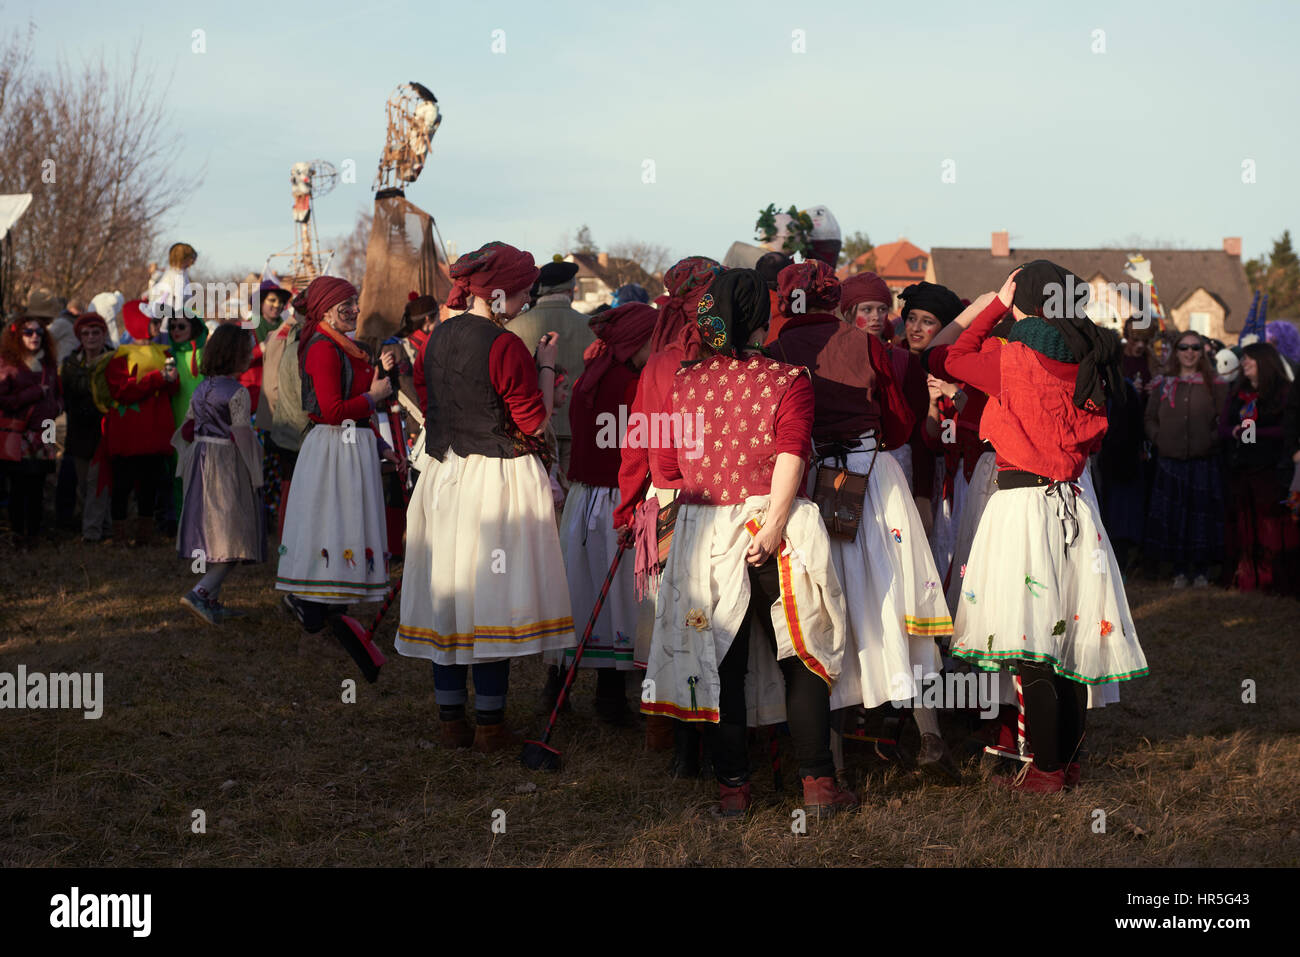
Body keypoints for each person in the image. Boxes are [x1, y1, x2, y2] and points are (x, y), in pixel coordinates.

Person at [641, 268, 856, 818]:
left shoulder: (684, 382)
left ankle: (733, 790)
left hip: (703, 531)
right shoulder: (789, 379)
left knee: (721, 663)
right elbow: (792, 452)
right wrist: (777, 521)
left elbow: (666, 467)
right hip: (771, 526)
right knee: (800, 655)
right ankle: (818, 786)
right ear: (763, 318)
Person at [944, 262, 1147, 793]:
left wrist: (994, 303)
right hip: (1075, 507)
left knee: (1030, 638)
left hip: (1022, 508)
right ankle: (1068, 762)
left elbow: (952, 357)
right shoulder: (1090, 357)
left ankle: (1048, 770)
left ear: (1025, 298)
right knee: (1072, 636)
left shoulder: (1012, 359)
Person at [770, 260, 958, 783]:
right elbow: (899, 424)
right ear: (836, 300)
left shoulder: (776, 351)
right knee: (891, 598)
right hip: (871, 477)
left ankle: (828, 758)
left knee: (824, 607)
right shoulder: (865, 345)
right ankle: (930, 734)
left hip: (806, 481)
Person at [396, 241, 575, 753]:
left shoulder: (435, 338)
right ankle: (490, 727)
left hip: (442, 473)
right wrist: (546, 368)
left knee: (450, 597)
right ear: (500, 294)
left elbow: (431, 405)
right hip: (493, 480)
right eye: (522, 294)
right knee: (489, 600)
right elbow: (534, 424)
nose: (525, 303)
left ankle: (452, 721)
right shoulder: (505, 346)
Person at [612, 255, 722, 766]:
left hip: (670, 497)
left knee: (671, 619)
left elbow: (638, 439)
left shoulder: (660, 361)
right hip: (718, 496)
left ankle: (671, 735)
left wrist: (628, 505)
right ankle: (706, 733)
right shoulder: (733, 355)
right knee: (711, 613)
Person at [276, 277, 397, 647]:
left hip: (351, 446)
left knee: (346, 522)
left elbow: (354, 411)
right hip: (333, 448)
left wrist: (380, 445)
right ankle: (310, 602)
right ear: (326, 310)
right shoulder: (323, 349)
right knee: (330, 522)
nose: (356, 311)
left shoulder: (349, 348)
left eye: (355, 303)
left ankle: (333, 604)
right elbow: (331, 411)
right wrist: (373, 396)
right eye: (347, 306)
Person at [553, 302, 657, 724]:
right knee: (617, 601)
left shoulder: (589, 376)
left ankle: (557, 686)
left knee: (585, 593)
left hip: (585, 499)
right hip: (617, 498)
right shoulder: (630, 384)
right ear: (635, 341)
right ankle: (610, 699)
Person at [175, 324, 267, 624]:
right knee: (234, 532)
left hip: (203, 460)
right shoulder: (237, 392)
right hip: (227, 463)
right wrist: (257, 466)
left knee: (214, 530)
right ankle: (200, 592)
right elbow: (241, 433)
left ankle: (211, 600)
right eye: (246, 351)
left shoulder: (203, 387)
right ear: (235, 356)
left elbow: (188, 427)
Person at [1143, 331, 1228, 587]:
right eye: (1184, 347)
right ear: (1176, 351)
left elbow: (1224, 419)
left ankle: (1201, 570)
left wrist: (1212, 439)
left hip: (1203, 461)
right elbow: (1149, 418)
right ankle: (1179, 569)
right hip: (1170, 460)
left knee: (1200, 518)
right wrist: (1159, 438)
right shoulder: (1163, 383)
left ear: (1202, 352)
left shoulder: (1216, 383)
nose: (1189, 352)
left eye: (1195, 348)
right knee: (1175, 517)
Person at [506, 259, 594, 479]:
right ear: (568, 290)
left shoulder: (513, 327)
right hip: (579, 427)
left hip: (532, 428)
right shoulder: (592, 326)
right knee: (573, 493)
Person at [1222, 342, 1296, 593]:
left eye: (1249, 359)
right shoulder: (1237, 392)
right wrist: (1234, 431)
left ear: (1264, 362)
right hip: (1240, 466)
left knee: (1270, 525)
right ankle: (1246, 576)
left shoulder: (1284, 393)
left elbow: (1288, 429)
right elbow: (1223, 425)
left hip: (1270, 468)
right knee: (1243, 522)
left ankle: (1273, 578)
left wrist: (1256, 432)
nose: (1243, 363)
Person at [101, 308, 179, 546]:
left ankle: (144, 535)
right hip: (130, 432)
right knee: (123, 484)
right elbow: (122, 391)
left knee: (150, 483)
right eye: (153, 321)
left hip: (155, 430)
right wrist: (157, 379)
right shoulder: (120, 357)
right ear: (139, 323)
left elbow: (172, 390)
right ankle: (120, 536)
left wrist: (172, 381)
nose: (158, 326)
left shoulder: (164, 352)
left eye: (158, 321)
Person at [897, 281, 964, 549]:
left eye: (927, 321)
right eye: (911, 318)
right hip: (903, 474)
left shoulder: (954, 369)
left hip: (944, 475)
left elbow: (947, 438)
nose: (915, 328)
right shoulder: (895, 361)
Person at [0, 317, 62, 549]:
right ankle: (17, 534)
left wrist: (57, 407)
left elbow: (58, 394)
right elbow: (3, 399)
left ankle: (35, 534)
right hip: (19, 433)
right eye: (28, 332)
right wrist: (33, 393)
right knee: (18, 485)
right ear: (17, 336)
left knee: (39, 484)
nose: (35, 336)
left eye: (39, 332)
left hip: (46, 431)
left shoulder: (49, 364)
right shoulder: (8, 364)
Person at [59, 313, 114, 542]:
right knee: (85, 484)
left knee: (96, 481)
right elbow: (65, 396)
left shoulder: (113, 361)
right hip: (78, 432)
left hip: (104, 431)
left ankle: (91, 533)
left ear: (103, 335)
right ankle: (107, 527)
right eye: (86, 333)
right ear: (80, 337)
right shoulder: (70, 364)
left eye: (96, 332)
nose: (91, 337)